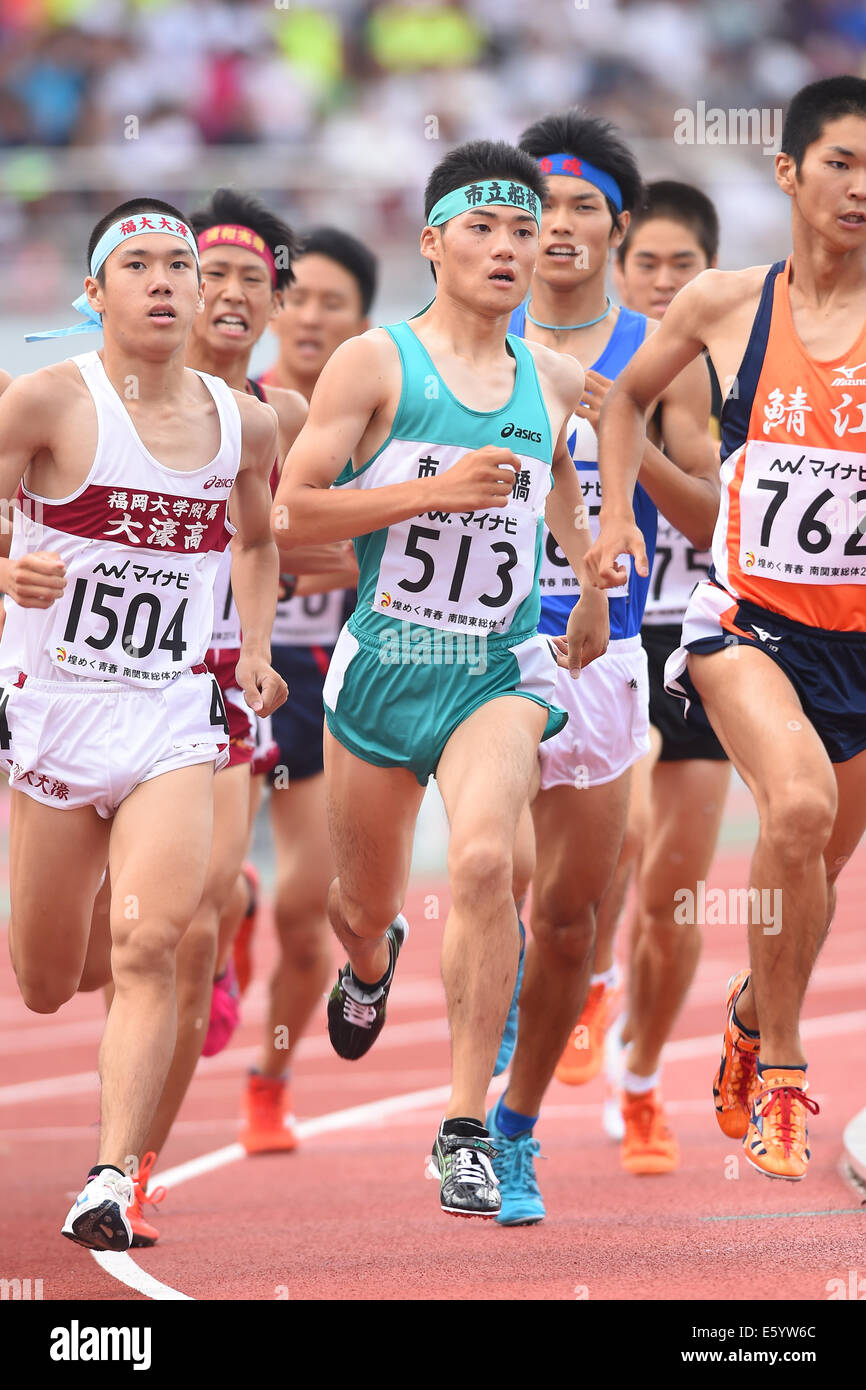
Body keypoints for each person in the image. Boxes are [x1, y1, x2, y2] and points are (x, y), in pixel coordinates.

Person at [274, 138, 610, 1218]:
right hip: (382, 671)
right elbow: (286, 512)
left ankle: (463, 1125)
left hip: (492, 670)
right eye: (484, 227)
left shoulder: (550, 378)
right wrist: (430, 494)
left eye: (524, 229)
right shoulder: (374, 363)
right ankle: (370, 967)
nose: (511, 246)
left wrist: (591, 569)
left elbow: (559, 480)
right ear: (432, 243)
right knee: (359, 905)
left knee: (479, 864)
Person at [588, 75, 866, 1183]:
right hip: (745, 625)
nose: (860, 187)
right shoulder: (722, 304)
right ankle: (785, 1080)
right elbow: (619, 397)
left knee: (812, 874)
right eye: (841, 162)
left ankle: (753, 1013)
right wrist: (613, 515)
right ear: (788, 172)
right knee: (792, 806)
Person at [0, 197, 286, 1250]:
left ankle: (109, 1177)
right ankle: (165, 912)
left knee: (152, 942)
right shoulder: (44, 403)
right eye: (139, 265)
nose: (167, 282)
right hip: (54, 718)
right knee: (44, 981)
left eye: (181, 265)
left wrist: (249, 648)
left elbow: (256, 541)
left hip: (171, 714)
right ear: (94, 292)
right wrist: (6, 569)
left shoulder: (241, 421)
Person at [484, 112, 720, 1224]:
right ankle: (452, 976)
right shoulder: (454, 342)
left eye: (584, 206)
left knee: (625, 888)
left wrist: (623, 447)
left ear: (613, 230)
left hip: (636, 636)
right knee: (492, 871)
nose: (560, 224)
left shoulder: (660, 355)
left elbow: (712, 505)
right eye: (542, 205)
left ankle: (576, 1098)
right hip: (475, 642)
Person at [587, 180, 732, 1173]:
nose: (664, 282)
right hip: (615, 635)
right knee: (618, 838)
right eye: (647, 264)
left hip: (709, 638)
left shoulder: (718, 374)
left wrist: (627, 433)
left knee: (676, 900)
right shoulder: (568, 364)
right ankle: (583, 977)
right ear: (616, 262)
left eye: (684, 267)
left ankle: (639, 1079)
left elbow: (706, 520)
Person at [239, 228, 373, 1156]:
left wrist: (348, 560)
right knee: (193, 899)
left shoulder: (387, 413)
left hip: (324, 684)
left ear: (363, 317)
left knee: (306, 911)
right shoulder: (238, 408)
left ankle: (270, 1080)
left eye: (337, 301)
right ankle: (222, 913)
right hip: (228, 675)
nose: (314, 315)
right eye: (301, 297)